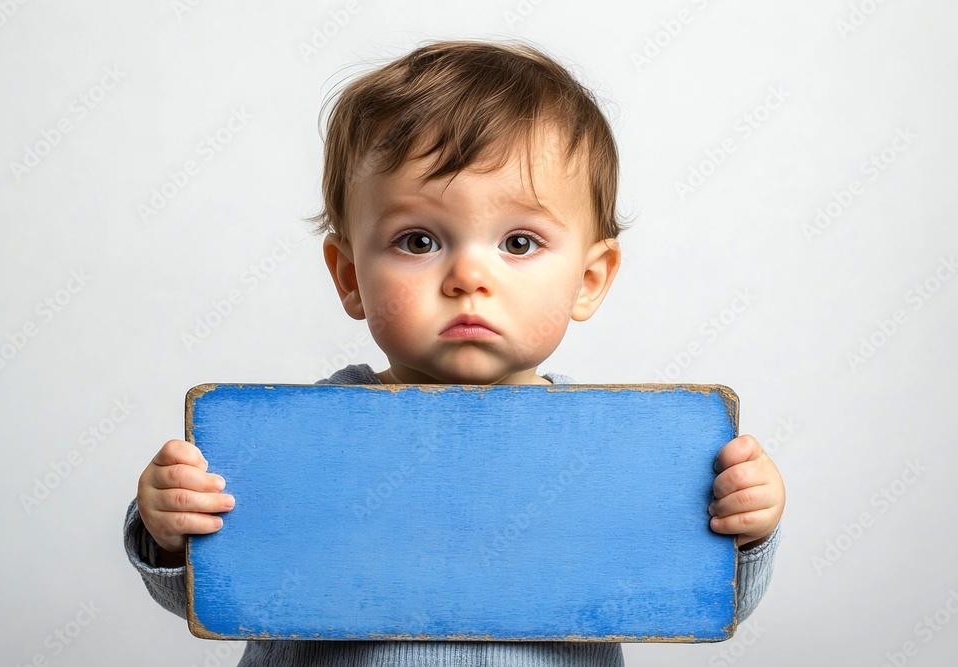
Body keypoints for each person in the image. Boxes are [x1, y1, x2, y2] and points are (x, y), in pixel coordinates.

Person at [123, 38, 785, 666]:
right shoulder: (298, 435)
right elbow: (212, 586)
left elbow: (698, 588)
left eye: (519, 243)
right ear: (351, 275)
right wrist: (169, 525)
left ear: (589, 280)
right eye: (418, 240)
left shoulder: (608, 448)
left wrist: (746, 526)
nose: (469, 276)